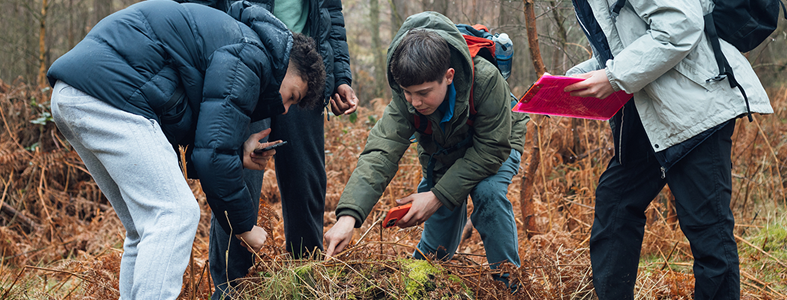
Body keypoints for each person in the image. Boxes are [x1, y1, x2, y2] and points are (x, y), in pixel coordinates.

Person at [46, 1, 325, 299]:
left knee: (144, 229)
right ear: (288, 65)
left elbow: (204, 139)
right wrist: (245, 227)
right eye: (292, 96)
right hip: (109, 94)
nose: (283, 109)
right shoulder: (251, 53)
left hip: (75, 94)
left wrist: (237, 152)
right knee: (175, 213)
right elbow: (212, 155)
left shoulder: (231, 40)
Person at [563, 0, 772, 298]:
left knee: (708, 232)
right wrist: (569, 82)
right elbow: (626, 45)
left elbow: (680, 26)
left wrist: (613, 77)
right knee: (616, 204)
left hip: (696, 105)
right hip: (651, 111)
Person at [323, 11, 529, 285]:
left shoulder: (486, 79)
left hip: (497, 142)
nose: (415, 102)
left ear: (449, 76)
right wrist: (348, 217)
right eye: (408, 92)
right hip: (444, 152)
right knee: (433, 248)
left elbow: (492, 148)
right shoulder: (405, 99)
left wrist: (437, 195)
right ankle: (423, 282)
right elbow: (381, 151)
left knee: (488, 193)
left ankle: (508, 285)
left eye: (423, 93)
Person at [180, 0, 357, 263]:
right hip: (247, 59)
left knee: (305, 176)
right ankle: (232, 286)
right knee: (236, 170)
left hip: (304, 69)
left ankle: (305, 272)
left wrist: (339, 75)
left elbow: (330, 11)